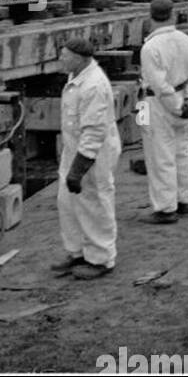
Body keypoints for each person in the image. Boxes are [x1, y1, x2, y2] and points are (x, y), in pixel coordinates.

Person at [53, 38, 121, 280]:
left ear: (80, 59)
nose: (61, 59)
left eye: (65, 55)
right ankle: (77, 252)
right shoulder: (76, 76)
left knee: (93, 201)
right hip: (74, 149)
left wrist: (79, 167)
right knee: (67, 201)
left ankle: (101, 258)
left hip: (93, 154)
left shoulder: (93, 85)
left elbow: (94, 130)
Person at [139, 0, 188, 224]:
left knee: (160, 156)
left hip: (158, 104)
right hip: (184, 99)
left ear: (150, 16)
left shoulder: (150, 47)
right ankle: (183, 199)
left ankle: (166, 208)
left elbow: (158, 85)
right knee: (182, 152)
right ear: (173, 14)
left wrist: (176, 107)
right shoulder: (187, 40)